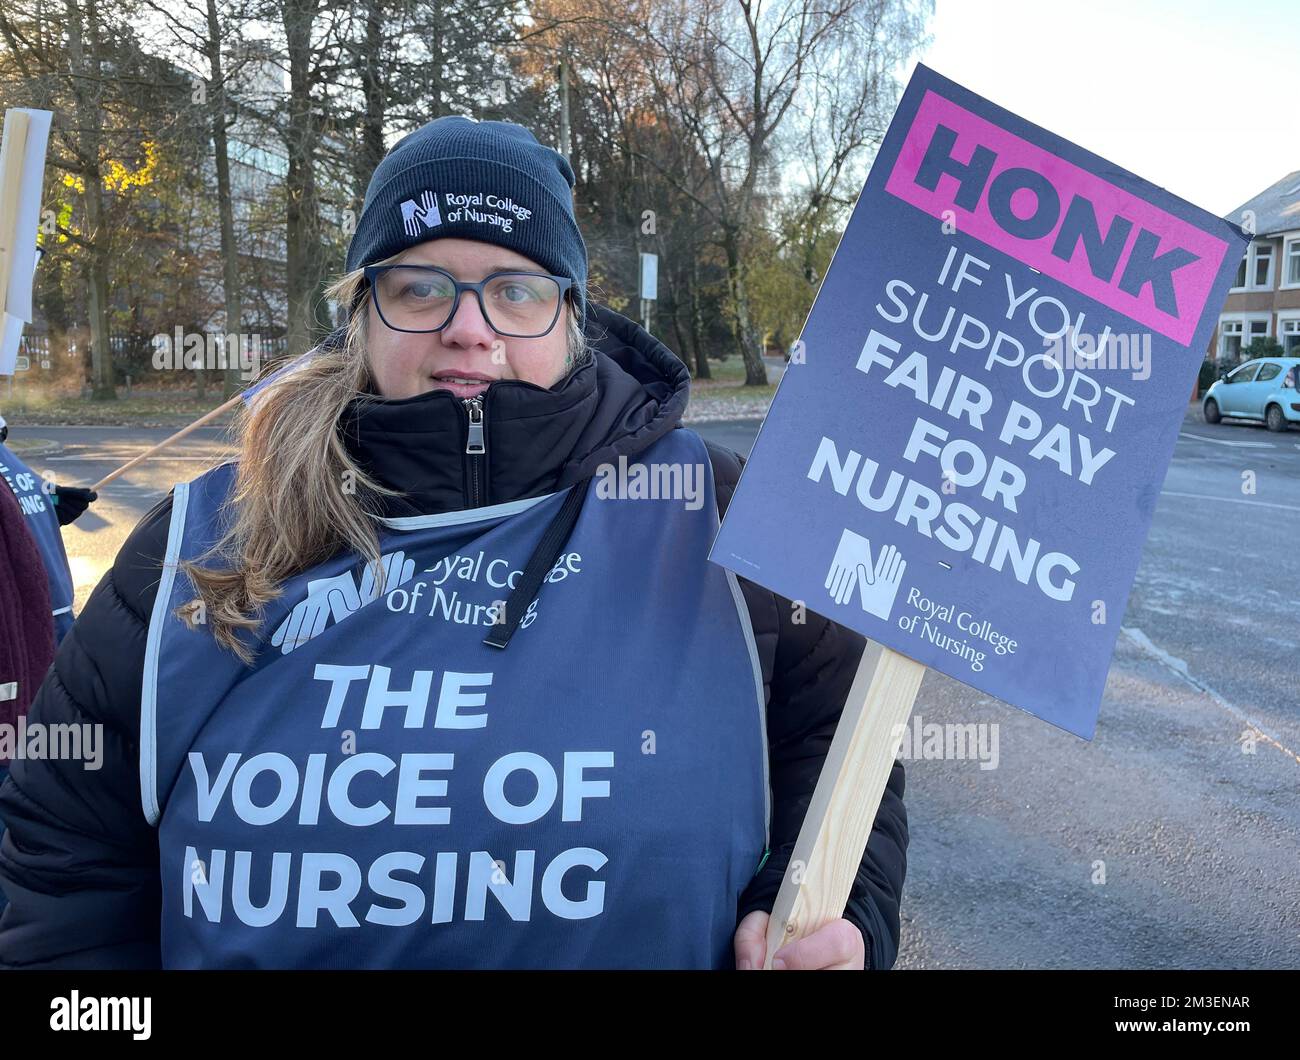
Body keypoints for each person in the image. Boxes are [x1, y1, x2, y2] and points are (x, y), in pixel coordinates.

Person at [0, 116, 906, 970]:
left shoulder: (716, 512)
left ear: (570, 318)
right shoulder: (205, 539)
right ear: (362, 312)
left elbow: (836, 746)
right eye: (420, 286)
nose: (467, 325)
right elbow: (63, 862)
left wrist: (834, 912)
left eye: (515, 289)